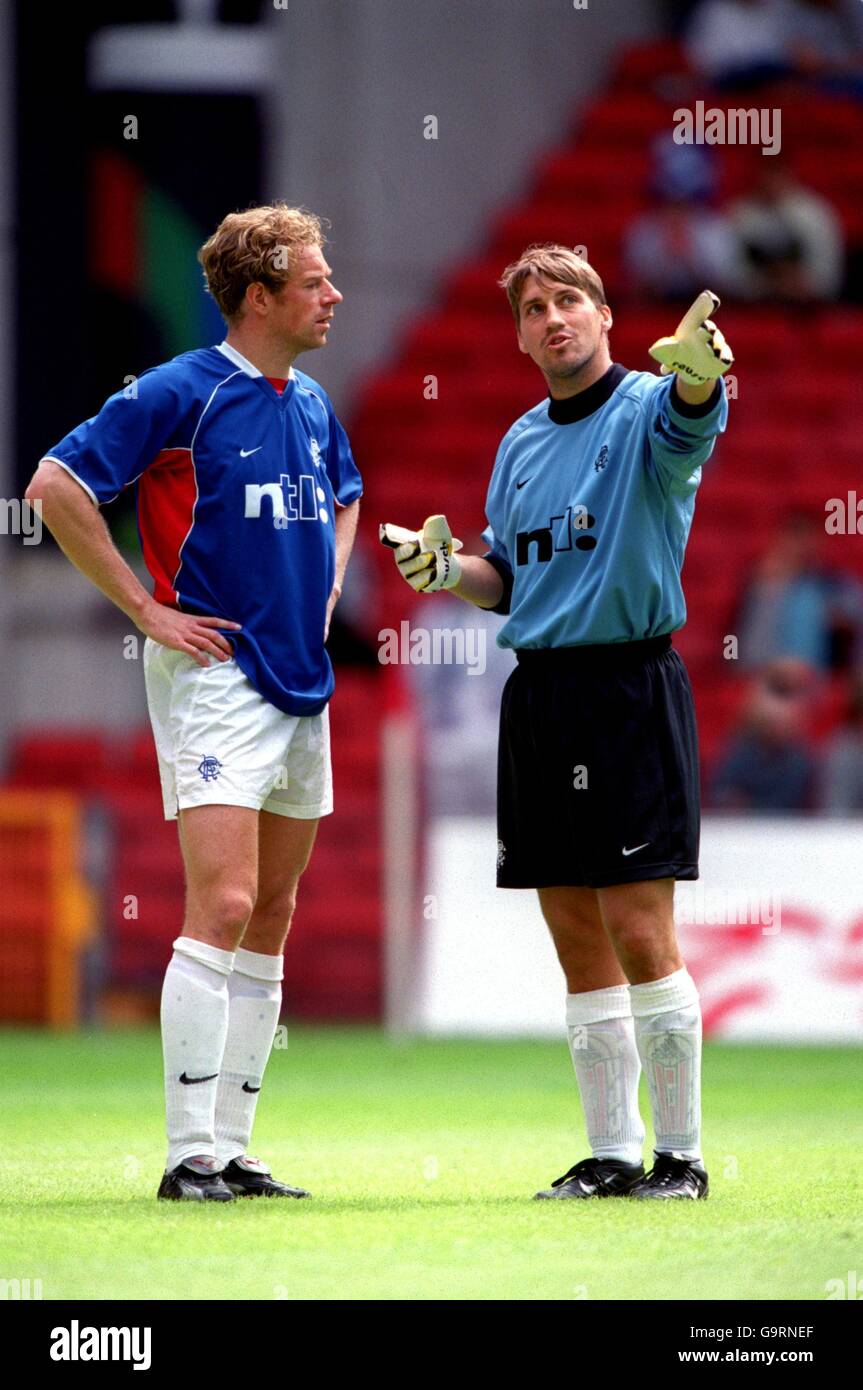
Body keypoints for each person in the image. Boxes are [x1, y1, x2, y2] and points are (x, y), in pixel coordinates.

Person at [24, 203, 362, 1202]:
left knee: (272, 910)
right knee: (220, 902)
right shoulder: (181, 390)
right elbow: (54, 484)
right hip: (217, 675)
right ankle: (185, 1158)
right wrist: (144, 608)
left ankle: (233, 1146)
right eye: (313, 280)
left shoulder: (308, 403)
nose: (332, 293)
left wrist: (328, 585)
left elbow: (345, 494)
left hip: (303, 680)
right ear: (260, 298)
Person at [382, 245, 732, 1201]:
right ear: (521, 335)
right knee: (574, 931)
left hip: (627, 688)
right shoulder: (520, 442)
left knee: (638, 926)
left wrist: (699, 381)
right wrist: (443, 570)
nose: (552, 318)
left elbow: (691, 420)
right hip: (539, 697)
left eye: (568, 299)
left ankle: (683, 1158)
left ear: (606, 315)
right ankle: (614, 1153)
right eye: (533, 308)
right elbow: (505, 578)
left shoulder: (646, 407)